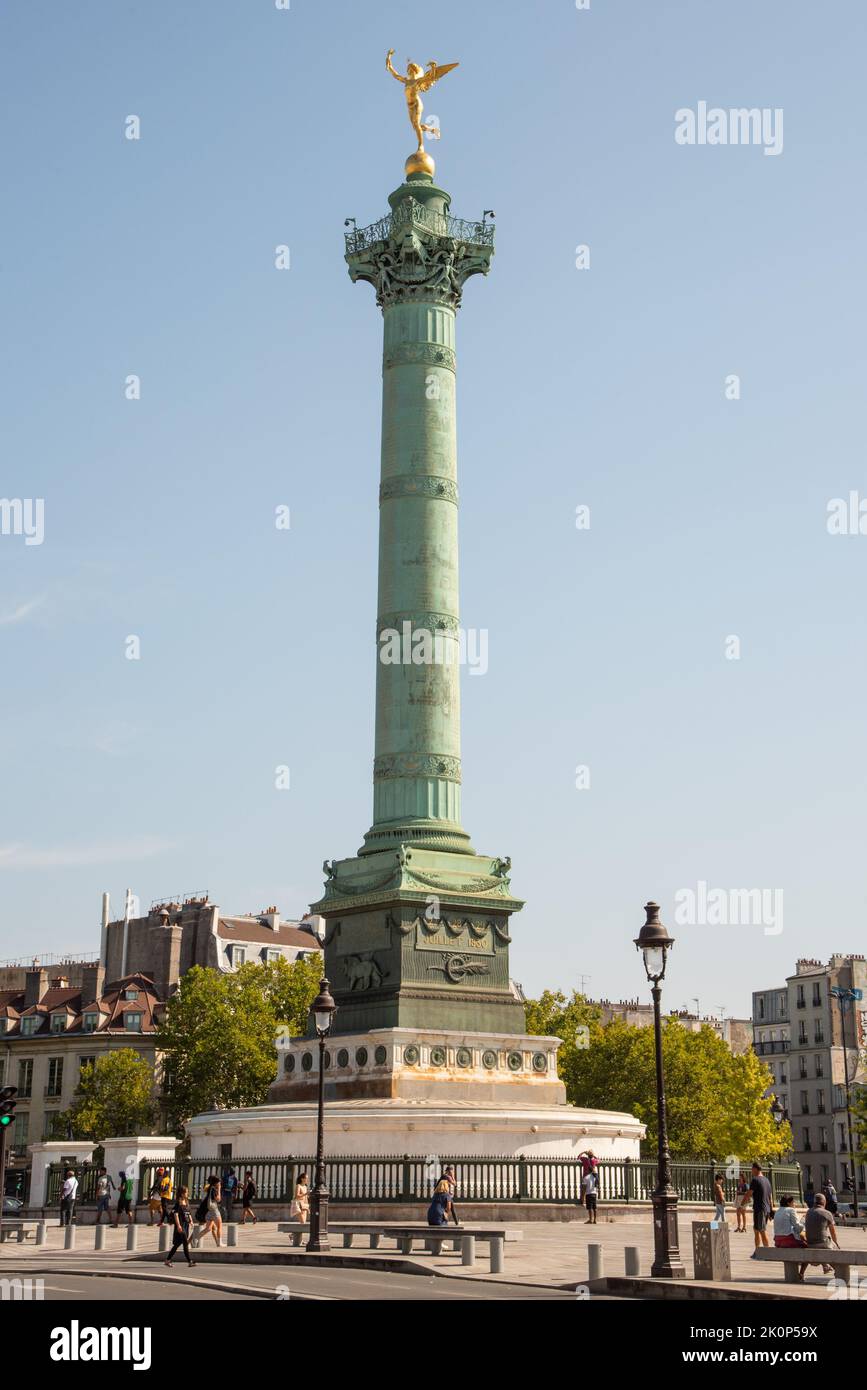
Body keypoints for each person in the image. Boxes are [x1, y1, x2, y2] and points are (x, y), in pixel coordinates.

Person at [804, 1192, 840, 1276]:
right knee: (835, 1249)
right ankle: (839, 1271)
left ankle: (826, 1266)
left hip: (810, 1243)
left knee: (824, 1245)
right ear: (824, 1202)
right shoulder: (827, 1213)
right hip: (822, 1243)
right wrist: (836, 1243)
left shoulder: (808, 1212)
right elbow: (833, 1232)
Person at [165, 1185, 196, 1269]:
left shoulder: (186, 1201)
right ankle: (190, 1261)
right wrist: (178, 1225)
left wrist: (191, 1221)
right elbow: (176, 1214)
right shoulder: (178, 1203)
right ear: (182, 1194)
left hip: (186, 1225)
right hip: (181, 1226)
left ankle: (168, 1260)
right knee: (185, 1243)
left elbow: (188, 1213)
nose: (187, 1193)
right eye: (186, 1192)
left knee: (177, 1244)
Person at [749, 1161, 774, 1249]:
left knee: (762, 1230)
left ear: (755, 1169)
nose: (751, 1171)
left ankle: (767, 1251)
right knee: (756, 1229)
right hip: (765, 1209)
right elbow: (770, 1197)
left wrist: (742, 1203)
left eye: (752, 1169)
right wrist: (771, 1210)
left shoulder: (755, 1180)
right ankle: (757, 1250)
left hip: (760, 1209)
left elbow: (749, 1193)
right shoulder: (767, 1180)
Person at [198, 1174, 223, 1247]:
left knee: (208, 1228)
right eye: (218, 1182)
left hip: (207, 1210)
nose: (219, 1183)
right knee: (219, 1226)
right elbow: (218, 1199)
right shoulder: (214, 1189)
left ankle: (195, 1238)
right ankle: (219, 1242)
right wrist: (219, 1189)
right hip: (213, 1210)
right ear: (216, 1182)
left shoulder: (208, 1188)